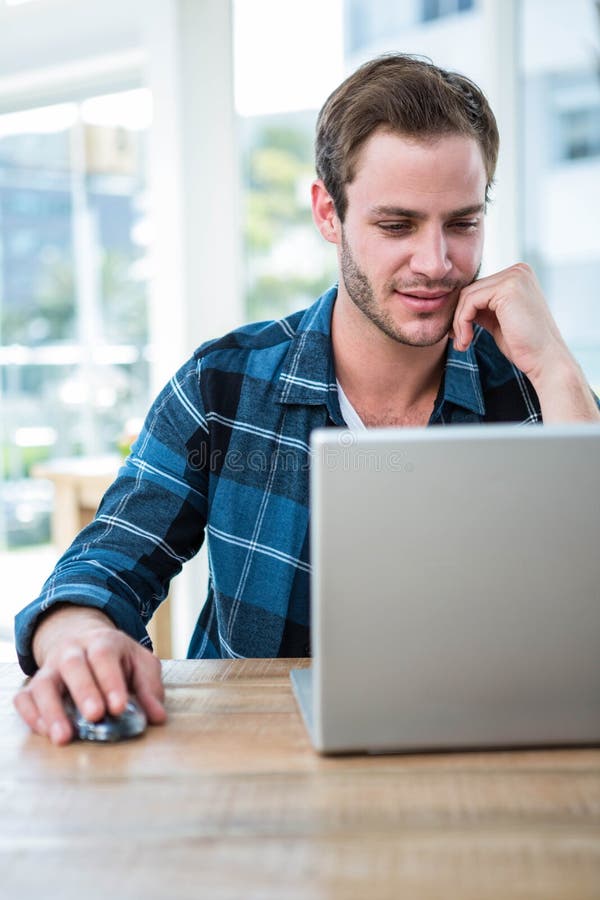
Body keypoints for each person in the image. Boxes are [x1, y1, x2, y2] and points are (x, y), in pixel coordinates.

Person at [14, 54, 600, 744]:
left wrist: (561, 371)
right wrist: (78, 635)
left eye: (463, 223)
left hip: (481, 775)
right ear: (329, 212)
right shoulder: (223, 386)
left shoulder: (533, 393)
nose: (438, 262)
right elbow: (107, 561)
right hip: (256, 781)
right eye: (397, 225)